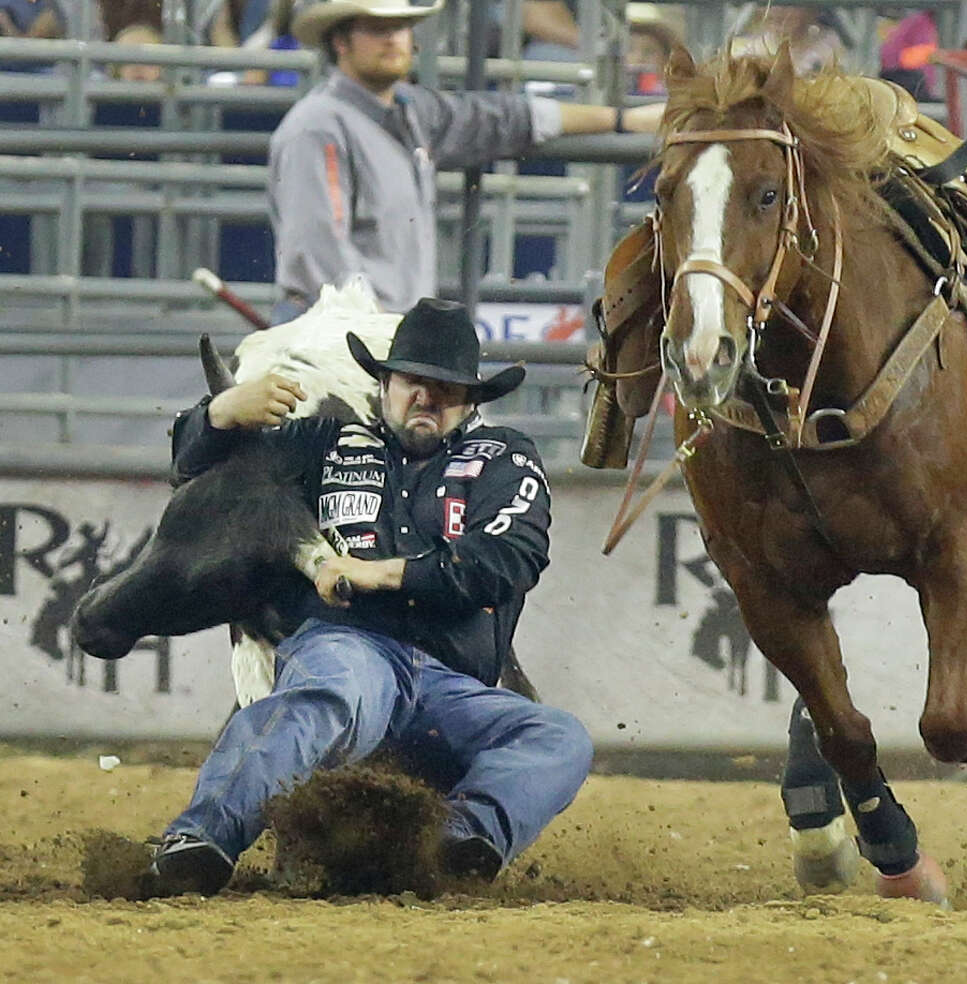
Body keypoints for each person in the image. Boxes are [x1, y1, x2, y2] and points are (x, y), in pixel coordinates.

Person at [145, 296, 592, 896]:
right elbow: (204, 476)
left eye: (447, 389)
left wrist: (380, 574)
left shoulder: (506, 460)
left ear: (471, 402)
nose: (426, 399)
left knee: (559, 737)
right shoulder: (322, 443)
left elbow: (508, 561)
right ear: (384, 383)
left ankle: (459, 838)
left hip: (452, 685)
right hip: (351, 648)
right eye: (412, 382)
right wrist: (222, 412)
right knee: (329, 692)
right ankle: (201, 838)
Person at [268, 0, 662, 324]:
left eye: (401, 27)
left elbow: (504, 118)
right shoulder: (319, 127)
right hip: (336, 335)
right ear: (340, 41)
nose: (393, 39)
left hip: (380, 334)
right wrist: (381, 336)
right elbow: (320, 254)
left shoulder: (412, 112)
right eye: (376, 29)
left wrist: (622, 120)